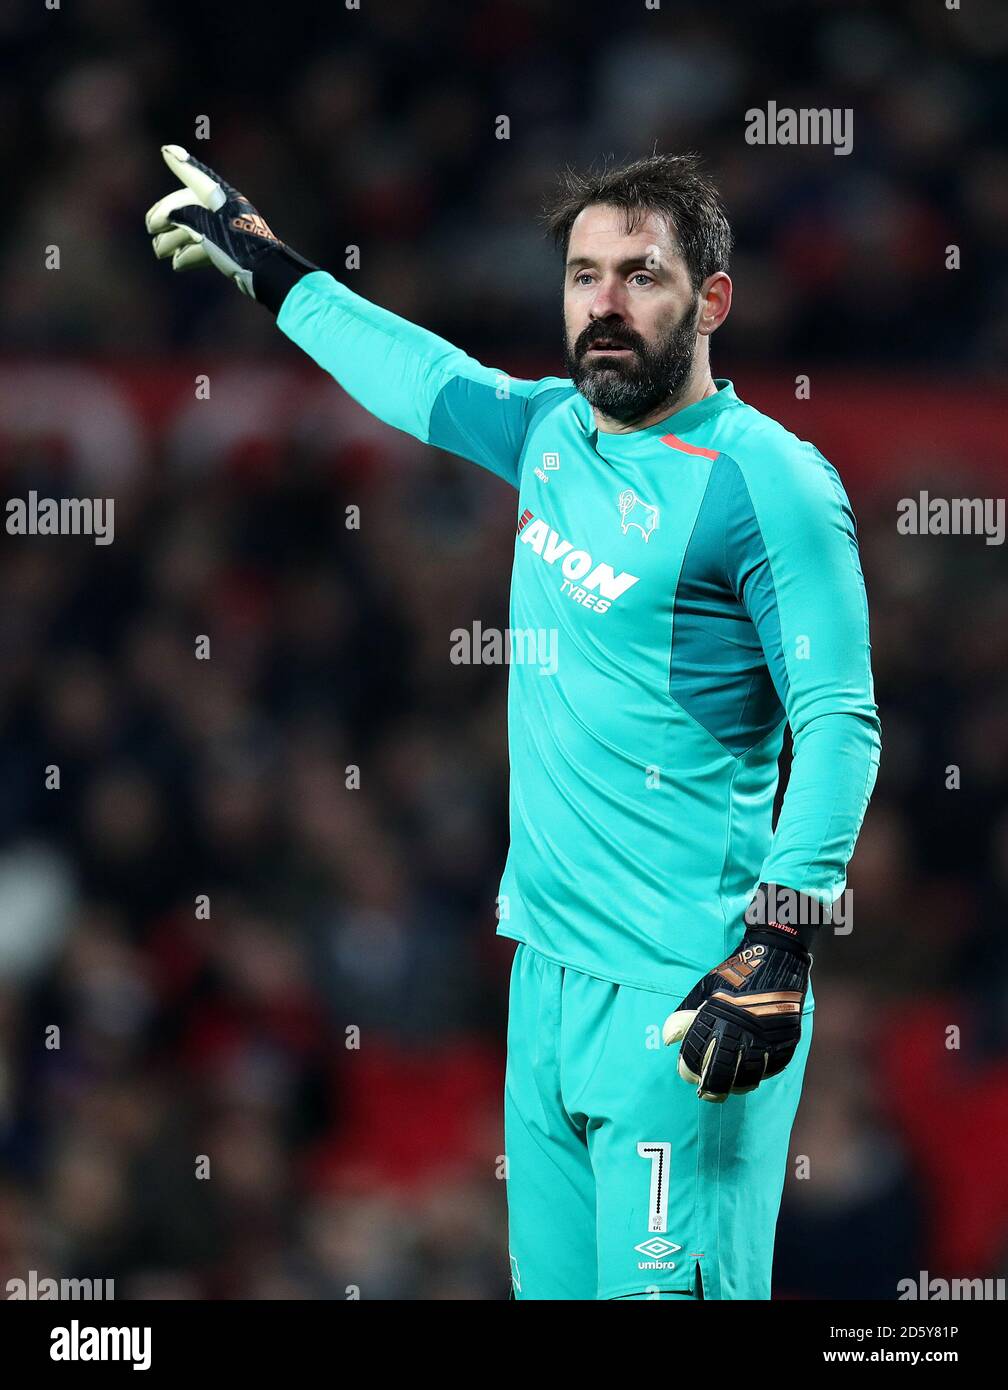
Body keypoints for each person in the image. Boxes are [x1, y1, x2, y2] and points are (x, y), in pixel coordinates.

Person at [146, 147, 881, 1300]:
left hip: (688, 997)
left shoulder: (769, 484)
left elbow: (840, 718)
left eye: (640, 276)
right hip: (543, 984)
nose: (604, 305)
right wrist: (269, 266)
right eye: (584, 275)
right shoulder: (551, 434)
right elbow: (417, 374)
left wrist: (781, 937)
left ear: (713, 299)